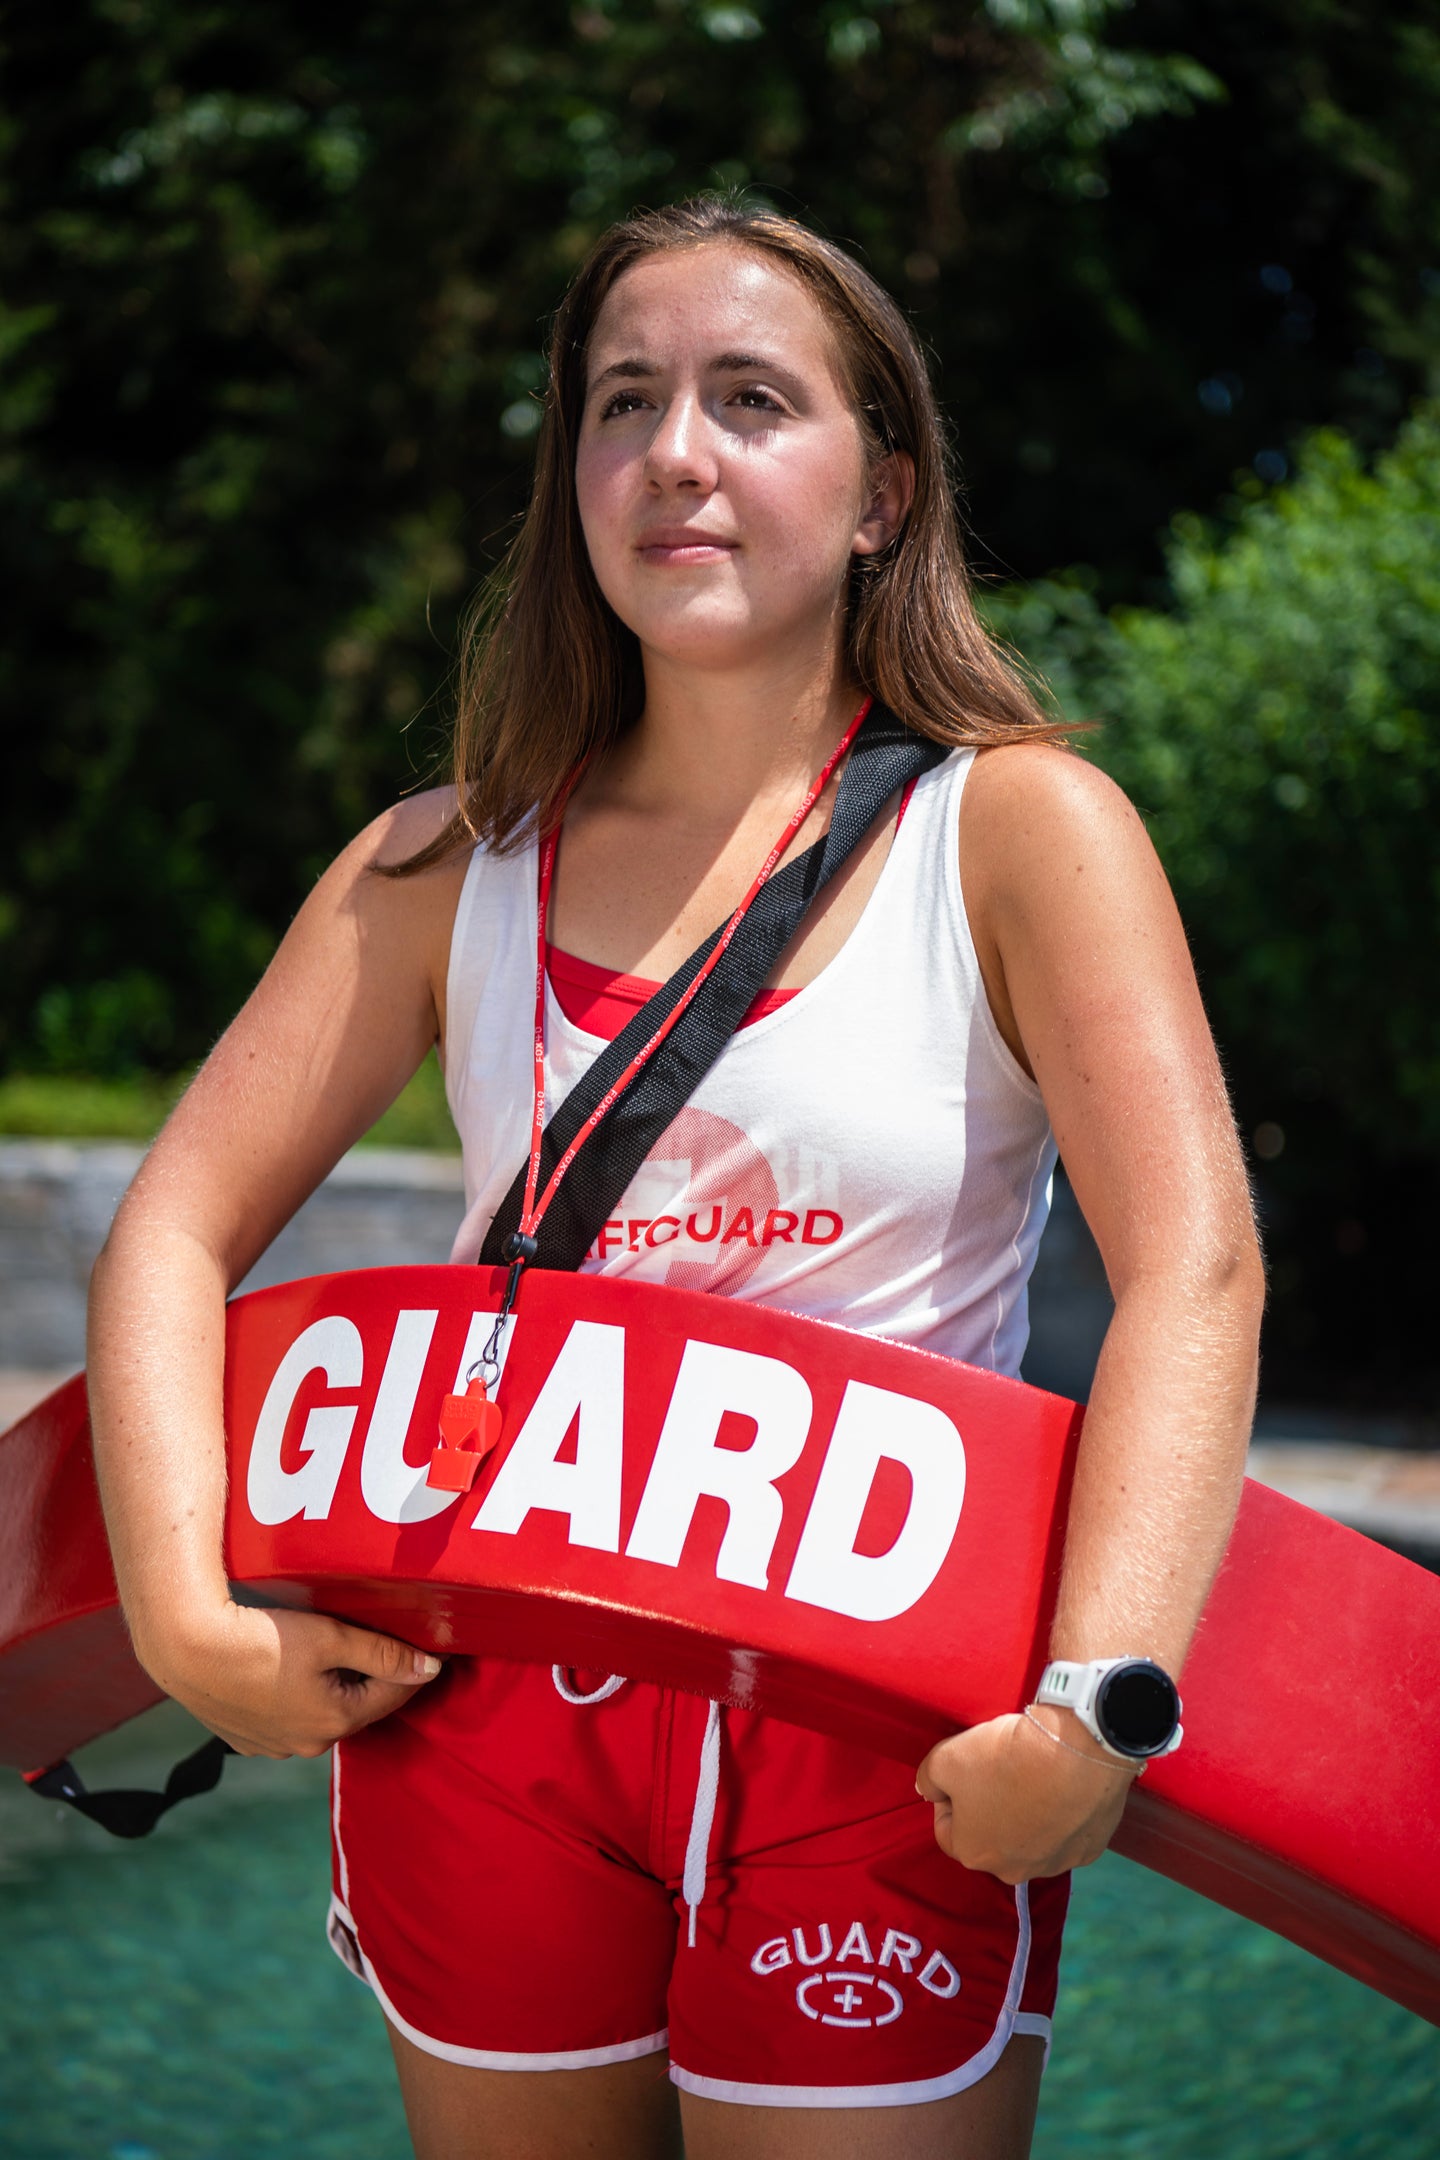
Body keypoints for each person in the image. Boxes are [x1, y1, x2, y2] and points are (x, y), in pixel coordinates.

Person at [87, 197, 1265, 2159]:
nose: (675, 455)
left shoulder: (1025, 832)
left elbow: (1197, 1274)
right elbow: (172, 1229)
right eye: (624, 403)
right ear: (571, 476)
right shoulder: (437, 869)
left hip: (882, 1736)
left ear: (884, 490)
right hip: (480, 1726)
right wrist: (182, 1624)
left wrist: (1100, 1698)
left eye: (750, 399)